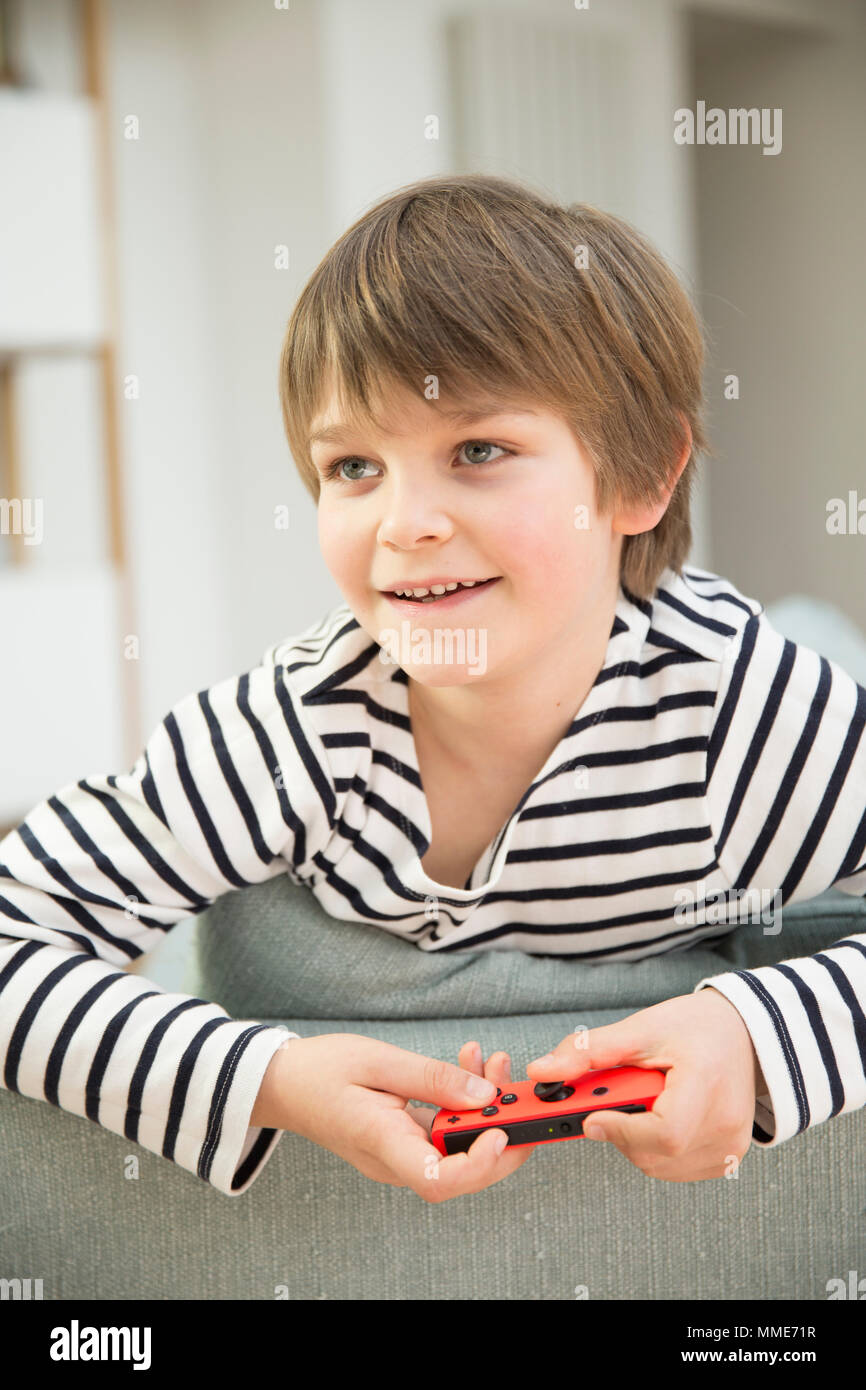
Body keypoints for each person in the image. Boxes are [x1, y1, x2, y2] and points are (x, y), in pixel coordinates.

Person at [2, 173, 864, 1202]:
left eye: (477, 450)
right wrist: (263, 1073)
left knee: (812, 634)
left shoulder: (742, 716)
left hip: (725, 634)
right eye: (354, 468)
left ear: (639, 475)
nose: (404, 523)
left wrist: (754, 1033)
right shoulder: (291, 730)